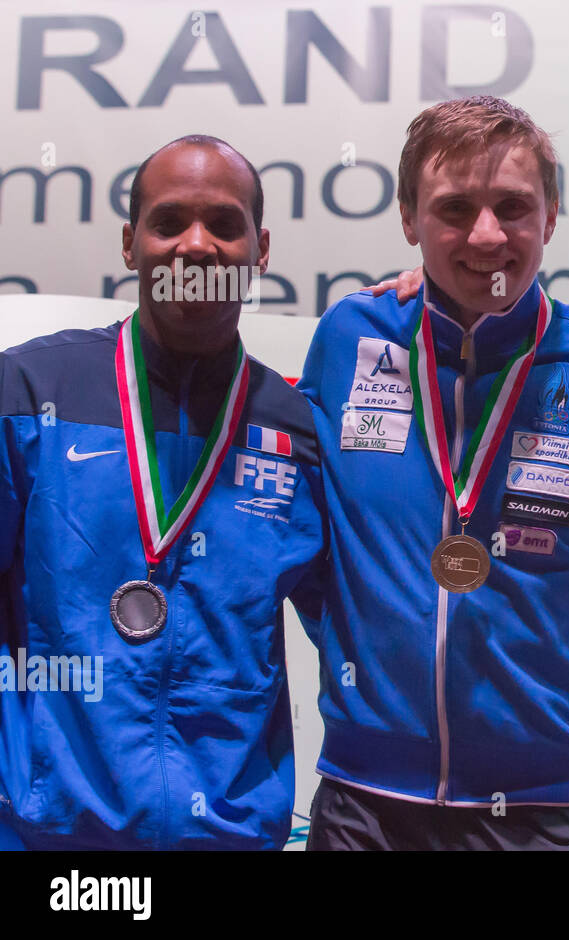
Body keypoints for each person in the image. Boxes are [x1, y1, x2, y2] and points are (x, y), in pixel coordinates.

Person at [296, 96, 569, 850]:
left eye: (513, 206)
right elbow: (313, 550)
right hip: (368, 804)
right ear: (410, 220)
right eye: (454, 209)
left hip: (563, 809)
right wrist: (372, 646)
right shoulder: (351, 339)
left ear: (552, 217)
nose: (486, 235)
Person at [0, 135, 327, 849]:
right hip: (51, 845)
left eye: (225, 224)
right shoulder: (29, 394)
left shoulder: (297, 430)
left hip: (233, 837)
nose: (197, 245)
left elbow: (387, 620)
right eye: (170, 221)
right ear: (130, 244)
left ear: (260, 248)